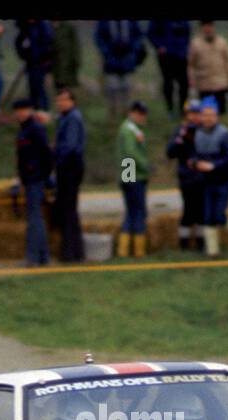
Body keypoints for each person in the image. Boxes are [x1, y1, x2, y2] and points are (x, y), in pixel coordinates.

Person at [192, 97, 228, 258]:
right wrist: (195, 163)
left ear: (216, 116)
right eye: (205, 115)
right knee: (208, 215)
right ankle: (212, 252)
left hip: (224, 180)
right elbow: (195, 155)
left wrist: (214, 166)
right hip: (208, 180)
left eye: (211, 115)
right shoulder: (198, 134)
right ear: (201, 116)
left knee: (219, 214)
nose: (208, 118)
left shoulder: (224, 134)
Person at [14, 99, 51, 267]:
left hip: (35, 179)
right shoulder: (25, 129)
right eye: (18, 110)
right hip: (30, 179)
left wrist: (41, 175)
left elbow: (47, 154)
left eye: (24, 109)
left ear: (30, 110)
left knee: (34, 219)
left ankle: (33, 257)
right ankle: (43, 256)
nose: (21, 113)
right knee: (37, 218)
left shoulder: (35, 129)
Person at [167, 98, 204, 250]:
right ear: (186, 115)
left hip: (202, 176)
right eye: (191, 113)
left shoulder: (204, 130)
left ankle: (201, 242)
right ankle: (184, 243)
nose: (194, 117)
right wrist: (180, 139)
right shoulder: (180, 131)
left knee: (201, 210)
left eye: (197, 113)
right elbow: (170, 153)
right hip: (187, 177)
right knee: (188, 210)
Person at [53, 87, 85, 262]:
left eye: (64, 100)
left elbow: (70, 146)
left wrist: (55, 153)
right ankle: (74, 251)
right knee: (69, 210)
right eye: (58, 100)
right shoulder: (66, 118)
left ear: (72, 101)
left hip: (70, 168)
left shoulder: (72, 118)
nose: (60, 103)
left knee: (68, 210)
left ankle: (70, 252)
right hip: (69, 167)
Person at [116, 100, 150, 258]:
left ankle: (124, 250)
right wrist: (145, 166)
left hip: (128, 173)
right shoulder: (129, 129)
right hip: (132, 173)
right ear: (133, 113)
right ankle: (139, 251)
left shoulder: (131, 128)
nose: (143, 118)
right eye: (141, 114)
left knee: (131, 211)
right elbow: (130, 153)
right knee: (138, 211)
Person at [95, 20, 144, 121]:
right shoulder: (103, 22)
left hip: (128, 57)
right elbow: (98, 37)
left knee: (127, 86)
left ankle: (127, 112)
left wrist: (134, 52)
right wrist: (106, 52)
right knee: (112, 86)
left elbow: (138, 35)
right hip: (110, 57)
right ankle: (112, 112)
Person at [188, 22, 228, 115]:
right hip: (203, 85)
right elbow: (191, 65)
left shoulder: (222, 43)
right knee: (206, 113)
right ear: (202, 28)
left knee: (221, 111)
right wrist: (192, 81)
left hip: (221, 84)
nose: (208, 29)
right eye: (205, 26)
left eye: (210, 26)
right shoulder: (195, 44)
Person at [15, 19, 54, 112]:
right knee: (33, 88)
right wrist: (24, 54)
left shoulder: (43, 26)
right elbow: (18, 42)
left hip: (41, 63)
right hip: (31, 63)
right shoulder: (23, 27)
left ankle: (44, 111)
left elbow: (48, 43)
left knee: (40, 88)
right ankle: (35, 111)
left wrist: (45, 58)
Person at [51, 20, 81, 94]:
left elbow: (75, 45)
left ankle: (70, 103)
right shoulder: (48, 27)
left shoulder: (68, 27)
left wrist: (77, 60)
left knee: (69, 87)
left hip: (68, 62)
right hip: (55, 64)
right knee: (58, 86)